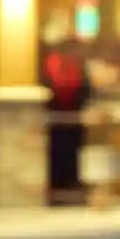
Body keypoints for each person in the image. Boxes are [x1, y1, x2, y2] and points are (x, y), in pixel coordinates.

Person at [43, 36, 93, 205]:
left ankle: (70, 194)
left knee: (72, 163)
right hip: (56, 130)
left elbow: (86, 95)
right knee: (58, 163)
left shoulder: (77, 70)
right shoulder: (52, 68)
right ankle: (58, 196)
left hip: (72, 129)